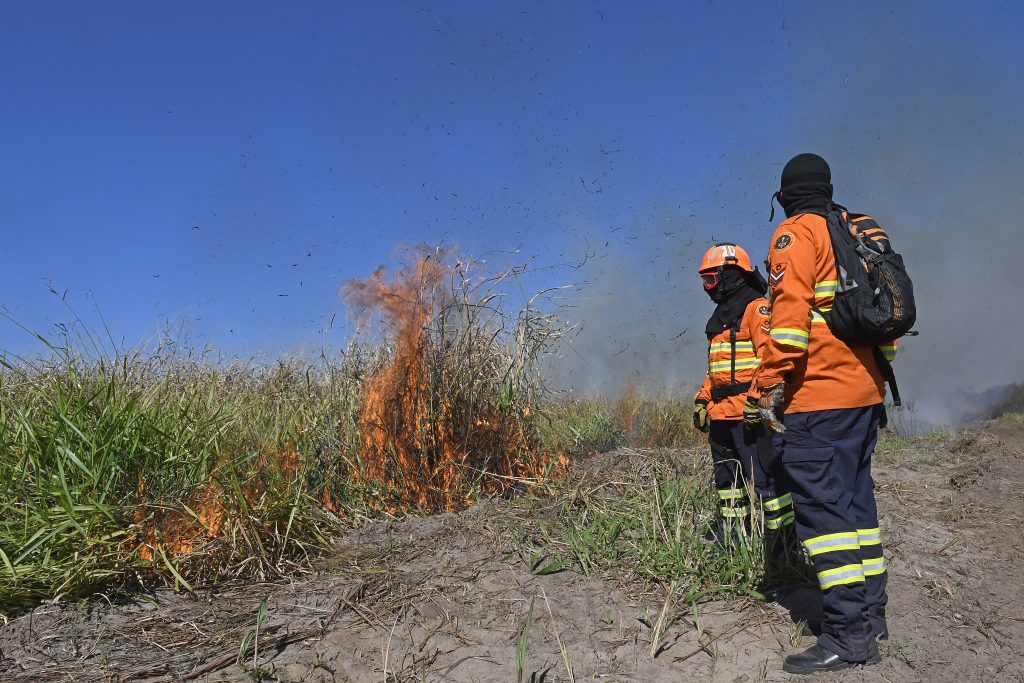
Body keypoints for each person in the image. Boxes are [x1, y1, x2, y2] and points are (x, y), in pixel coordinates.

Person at [754, 153, 894, 674]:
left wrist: (768, 388)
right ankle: (871, 615)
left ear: (785, 196)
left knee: (826, 520)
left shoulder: (796, 234)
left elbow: (787, 326)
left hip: (818, 397)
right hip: (864, 396)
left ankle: (847, 636)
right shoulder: (856, 229)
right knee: (857, 510)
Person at [693, 243, 795, 550]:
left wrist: (756, 401)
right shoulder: (719, 319)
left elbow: (770, 360)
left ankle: (782, 545)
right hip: (721, 415)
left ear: (731, 276)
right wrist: (702, 399)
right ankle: (732, 537)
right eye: (704, 280)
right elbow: (716, 368)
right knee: (728, 484)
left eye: (711, 279)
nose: (707, 288)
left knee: (767, 482)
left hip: (750, 415)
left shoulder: (756, 308)